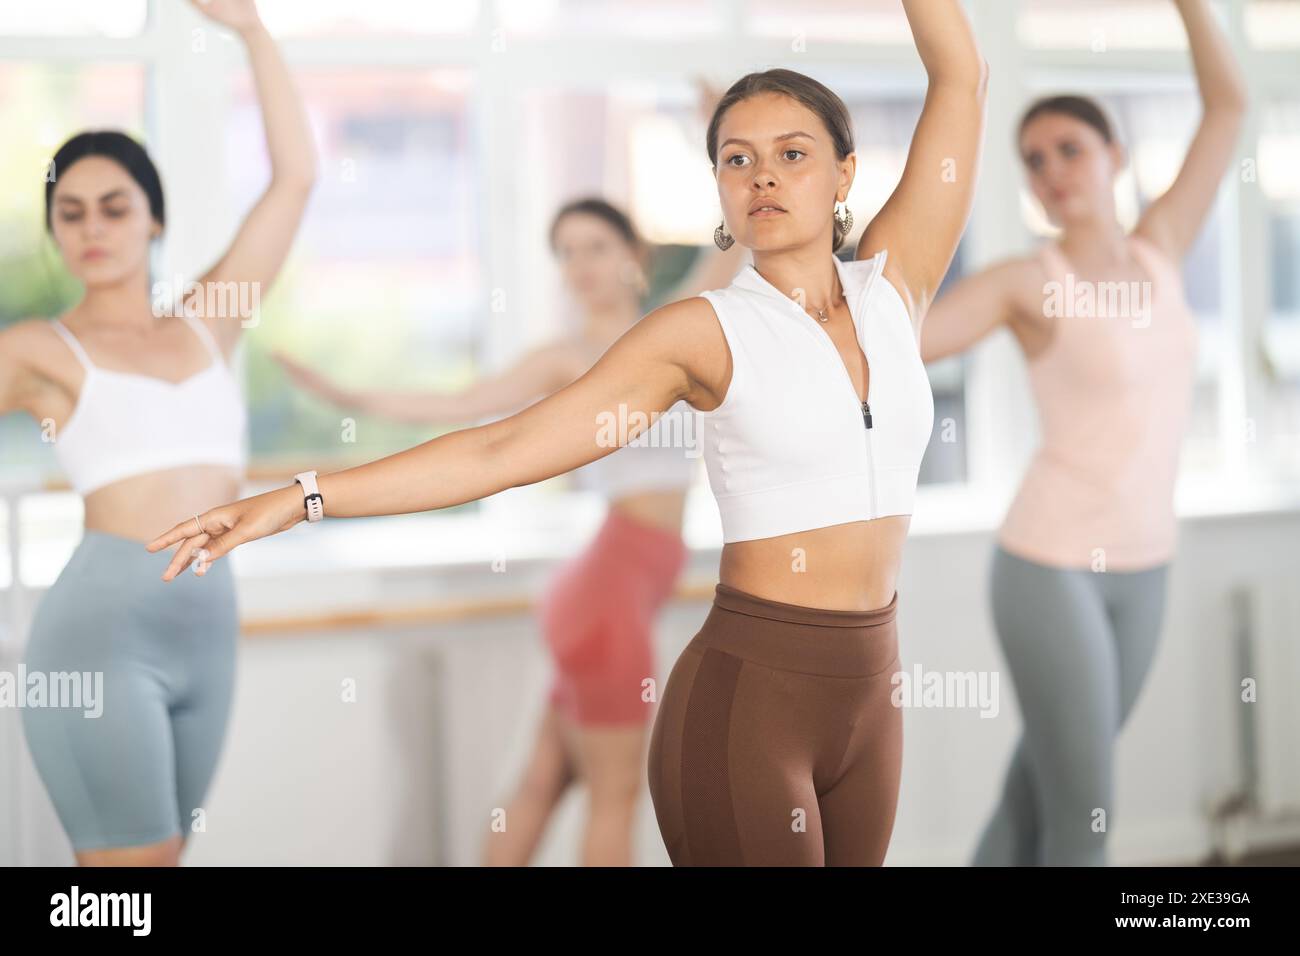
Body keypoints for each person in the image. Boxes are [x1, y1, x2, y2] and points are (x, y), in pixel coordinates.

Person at [147, 0, 986, 867]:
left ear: (846, 174)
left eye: (792, 155)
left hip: (871, 692)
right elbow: (502, 448)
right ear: (720, 190)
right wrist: (305, 495)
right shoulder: (702, 331)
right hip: (750, 701)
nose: (763, 176)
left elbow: (962, 74)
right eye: (737, 159)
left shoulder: (898, 290)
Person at [271, 195, 743, 866]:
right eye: (566, 252)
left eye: (597, 247)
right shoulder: (566, 356)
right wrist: (352, 400)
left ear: (633, 256)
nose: (580, 264)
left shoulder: (674, 328)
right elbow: (466, 406)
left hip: (604, 594)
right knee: (616, 797)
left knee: (543, 783)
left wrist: (726, 156)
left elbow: (729, 249)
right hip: (608, 593)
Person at [919, 0, 1246, 865]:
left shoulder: (1162, 248)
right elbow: (907, 338)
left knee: (1039, 792)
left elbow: (1229, 108)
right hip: (1049, 564)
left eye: (1070, 149)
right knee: (1086, 815)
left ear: (1116, 157)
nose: (1053, 170)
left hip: (1147, 565)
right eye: (1034, 161)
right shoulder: (1025, 281)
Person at [0, 0, 315, 865]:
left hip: (209, 630)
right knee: (125, 884)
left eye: (113, 206)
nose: (93, 227)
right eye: (70, 213)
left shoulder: (209, 322)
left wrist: (253, 30)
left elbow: (293, 180)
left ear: (155, 218)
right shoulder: (40, 350)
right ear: (56, 231)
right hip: (101, 637)